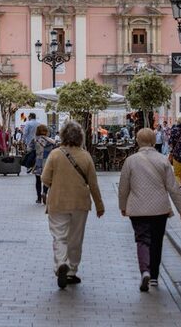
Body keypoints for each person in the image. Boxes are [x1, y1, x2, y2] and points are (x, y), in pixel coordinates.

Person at [118, 127, 181, 292]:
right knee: (157, 241)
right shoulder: (163, 160)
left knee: (142, 240)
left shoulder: (131, 161)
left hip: (137, 209)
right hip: (159, 209)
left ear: (137, 141)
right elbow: (173, 187)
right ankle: (154, 277)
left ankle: (145, 271)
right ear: (153, 141)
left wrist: (123, 206)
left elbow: (123, 187)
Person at [41, 120, 105, 289]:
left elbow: (45, 179)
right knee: (75, 239)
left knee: (59, 237)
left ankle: (61, 263)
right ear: (81, 137)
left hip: (58, 201)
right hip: (80, 203)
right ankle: (72, 271)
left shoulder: (55, 154)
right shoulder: (86, 156)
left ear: (62, 135)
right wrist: (99, 205)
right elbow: (93, 184)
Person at [33, 125, 57, 204]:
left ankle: (39, 198)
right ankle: (44, 193)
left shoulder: (35, 140)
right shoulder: (51, 141)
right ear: (46, 131)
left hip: (38, 161)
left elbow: (29, 149)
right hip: (48, 162)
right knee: (47, 179)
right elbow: (55, 151)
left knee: (38, 180)